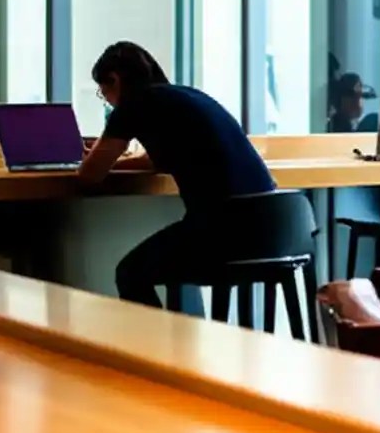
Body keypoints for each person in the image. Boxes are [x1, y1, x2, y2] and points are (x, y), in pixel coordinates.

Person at [78, 41, 280, 315]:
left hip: (224, 231)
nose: (109, 102)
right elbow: (156, 160)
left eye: (105, 94)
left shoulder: (133, 104)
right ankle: (178, 347)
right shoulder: (184, 97)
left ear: (114, 79)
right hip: (276, 225)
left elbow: (90, 175)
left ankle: (152, 354)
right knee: (175, 254)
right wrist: (119, 161)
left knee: (130, 272)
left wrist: (93, 156)